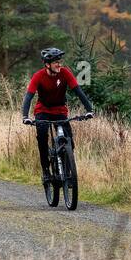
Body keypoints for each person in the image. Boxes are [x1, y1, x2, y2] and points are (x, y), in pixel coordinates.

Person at [22, 47, 94, 188]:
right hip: (42, 111)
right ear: (47, 64)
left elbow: (78, 91)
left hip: (60, 110)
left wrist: (89, 110)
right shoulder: (38, 76)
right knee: (42, 137)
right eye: (56, 62)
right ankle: (46, 171)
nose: (59, 65)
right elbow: (29, 96)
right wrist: (25, 116)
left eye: (60, 61)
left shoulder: (65, 73)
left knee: (68, 140)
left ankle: (68, 173)